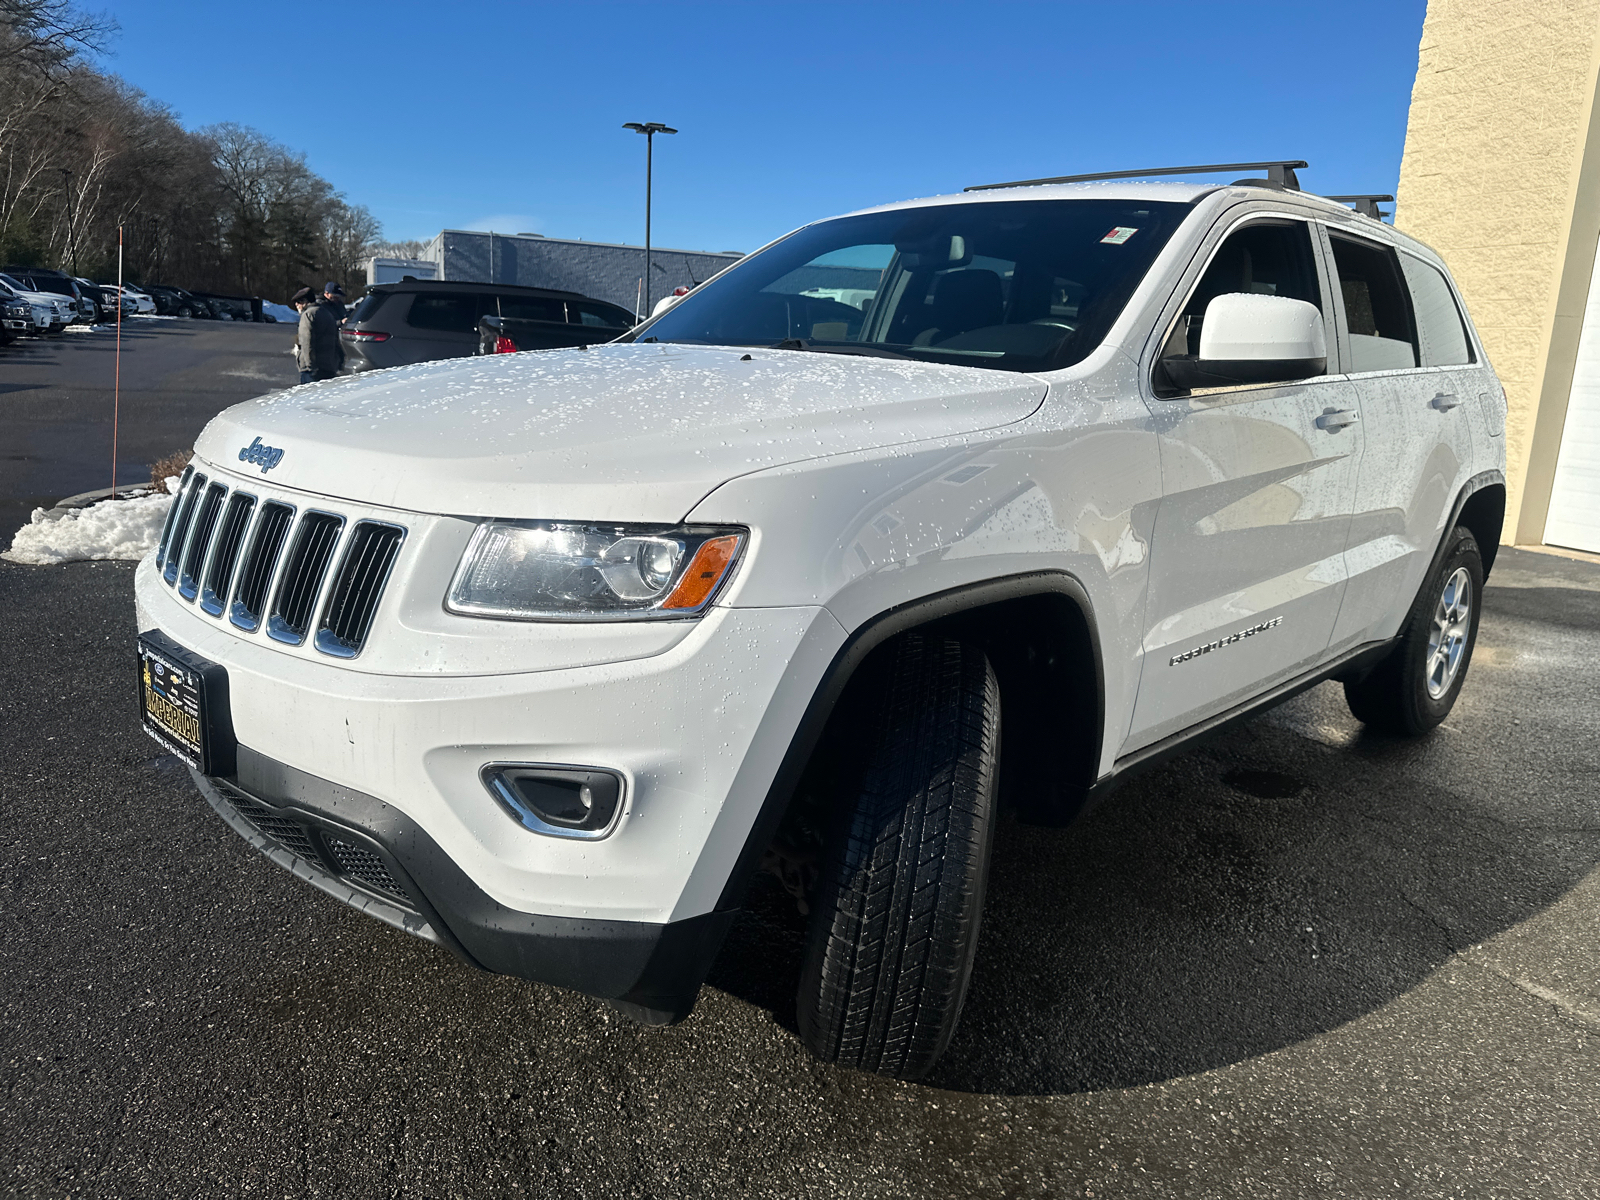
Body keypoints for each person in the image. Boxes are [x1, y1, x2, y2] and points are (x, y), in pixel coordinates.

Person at [293, 285, 342, 383]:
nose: (297, 305)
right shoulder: (327, 313)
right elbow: (336, 340)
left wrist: (310, 366)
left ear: (305, 302)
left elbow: (307, 342)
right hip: (328, 366)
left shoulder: (307, 315)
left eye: (298, 302)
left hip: (312, 369)